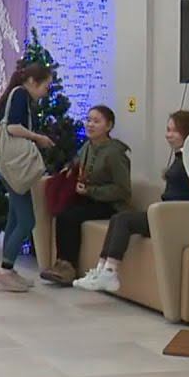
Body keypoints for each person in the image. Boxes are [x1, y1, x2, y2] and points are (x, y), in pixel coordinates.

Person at [75, 110, 189, 293]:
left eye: (174, 131)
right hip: (164, 213)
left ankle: (109, 272)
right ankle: (101, 270)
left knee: (123, 220)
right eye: (167, 130)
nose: (168, 135)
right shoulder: (182, 156)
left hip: (174, 217)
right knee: (118, 219)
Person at [41, 105, 132, 285]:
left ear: (108, 126)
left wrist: (91, 191)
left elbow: (123, 190)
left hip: (111, 205)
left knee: (70, 216)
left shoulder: (115, 153)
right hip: (90, 199)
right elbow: (78, 162)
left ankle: (69, 268)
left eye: (96, 121)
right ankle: (61, 264)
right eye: (88, 120)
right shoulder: (88, 147)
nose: (90, 125)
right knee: (63, 213)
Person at [0, 63, 55, 292]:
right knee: (27, 221)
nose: (46, 92)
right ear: (33, 82)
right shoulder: (20, 95)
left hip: (10, 165)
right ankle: (4, 272)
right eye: (45, 86)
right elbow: (13, 128)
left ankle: (8, 268)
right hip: (15, 165)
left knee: (15, 218)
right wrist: (37, 138)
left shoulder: (14, 95)